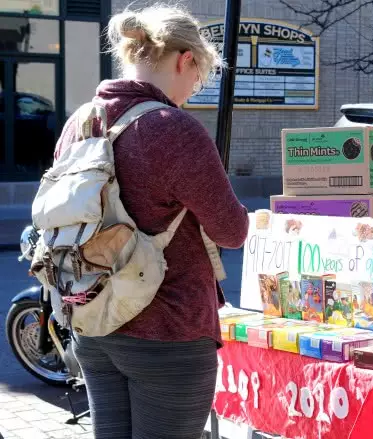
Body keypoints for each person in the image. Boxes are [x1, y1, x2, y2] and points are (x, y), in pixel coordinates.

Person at [54, 4, 250, 438]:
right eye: (198, 77)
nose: (193, 90)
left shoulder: (81, 122)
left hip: (94, 322)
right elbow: (232, 232)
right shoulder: (173, 128)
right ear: (186, 60)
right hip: (169, 333)